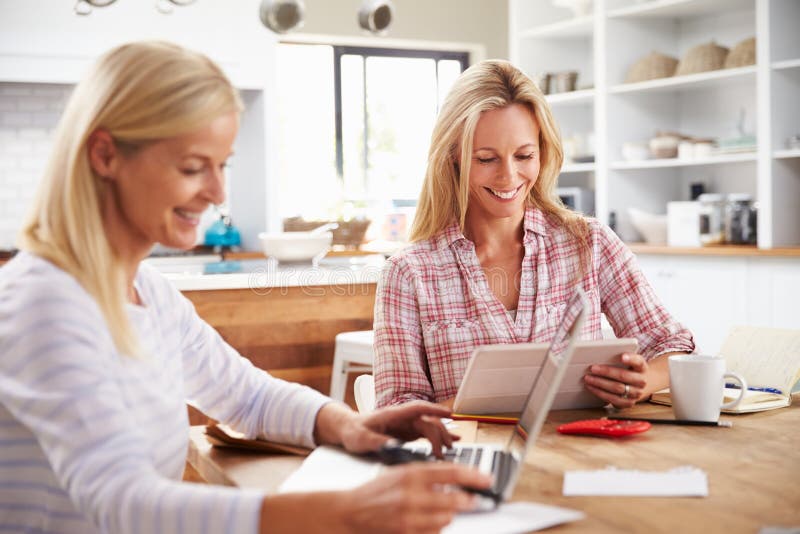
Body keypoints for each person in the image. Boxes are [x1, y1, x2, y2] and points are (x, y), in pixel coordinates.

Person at [0, 41, 492, 534]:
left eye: (223, 165)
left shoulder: (147, 293)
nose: (218, 193)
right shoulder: (44, 305)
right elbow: (122, 502)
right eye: (193, 167)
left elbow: (246, 396)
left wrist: (347, 424)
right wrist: (345, 513)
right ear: (105, 154)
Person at [373, 59, 695, 411]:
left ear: (543, 151)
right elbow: (396, 408)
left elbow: (673, 345)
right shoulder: (408, 272)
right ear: (453, 156)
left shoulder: (589, 243)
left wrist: (643, 382)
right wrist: (481, 403)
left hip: (584, 443)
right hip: (470, 448)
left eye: (524, 155)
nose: (509, 177)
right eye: (486, 159)